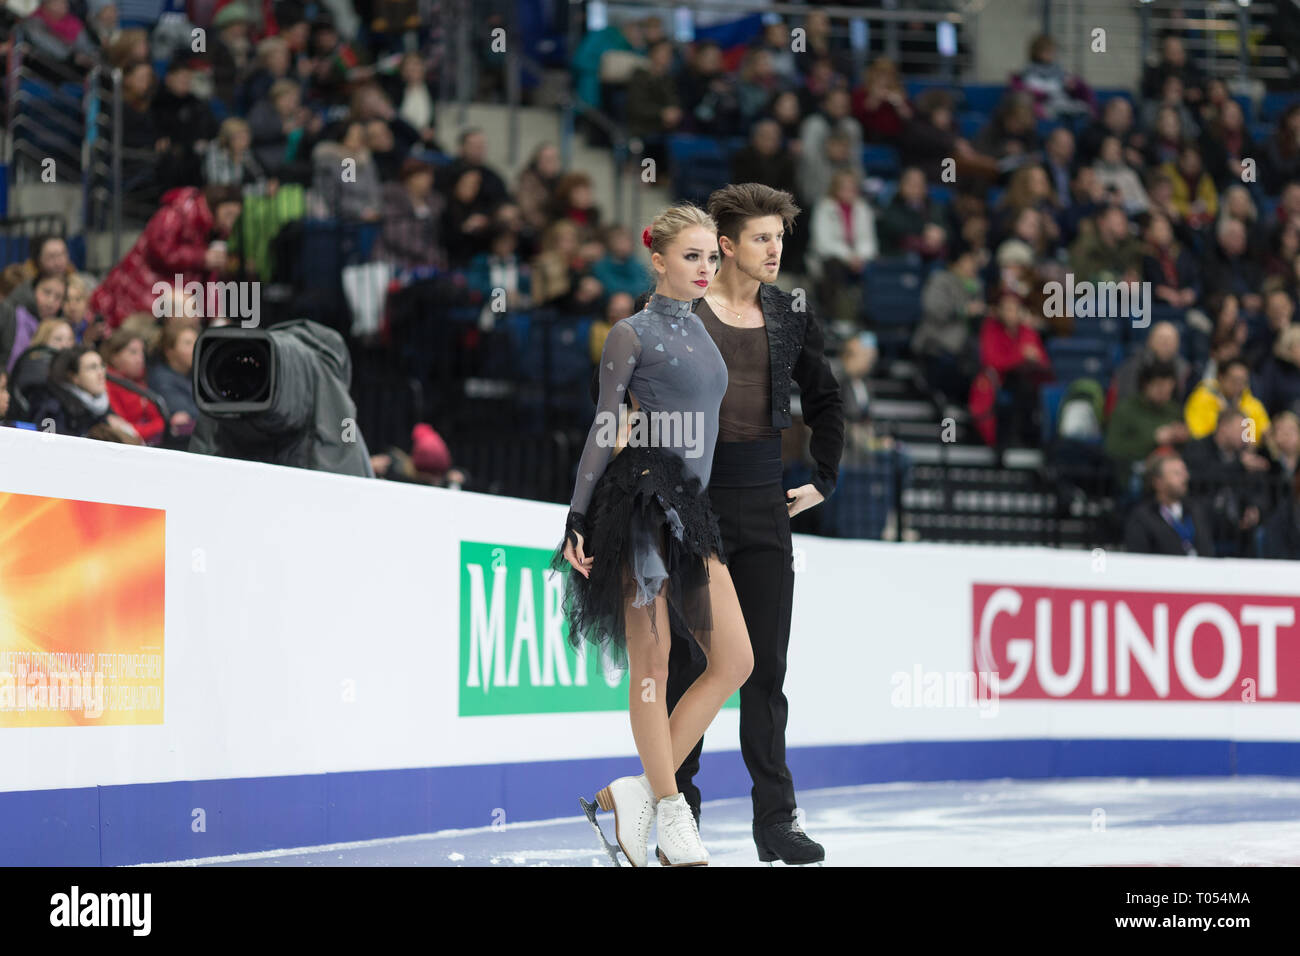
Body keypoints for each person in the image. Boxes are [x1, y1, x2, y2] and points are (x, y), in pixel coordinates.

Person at [552, 203, 753, 868]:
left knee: (734, 661)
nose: (705, 268)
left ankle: (639, 791)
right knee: (653, 666)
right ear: (659, 261)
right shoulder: (629, 334)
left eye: (711, 258)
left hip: (689, 508)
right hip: (639, 502)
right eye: (691, 256)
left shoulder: (708, 332)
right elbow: (603, 429)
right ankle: (671, 815)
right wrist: (577, 515)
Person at [668, 183, 844, 865]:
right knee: (692, 662)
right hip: (694, 502)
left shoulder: (791, 312)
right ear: (727, 244)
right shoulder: (681, 311)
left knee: (765, 670)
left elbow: (827, 399)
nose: (775, 250)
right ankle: (678, 809)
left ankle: (776, 821)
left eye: (780, 238)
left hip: (766, 503)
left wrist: (822, 478)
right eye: (762, 239)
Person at [1123, 450, 1214, 555]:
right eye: (1177, 473)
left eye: (1184, 472)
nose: (1185, 478)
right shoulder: (1142, 517)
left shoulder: (1196, 510)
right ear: (1158, 482)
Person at [1185, 357, 1271, 440]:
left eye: (1243, 381)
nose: (1238, 385)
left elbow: (1264, 432)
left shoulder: (1252, 404)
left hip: (1245, 451)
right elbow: (1197, 433)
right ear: (1221, 377)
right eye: (1234, 380)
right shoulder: (1203, 398)